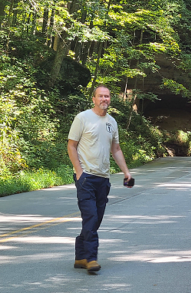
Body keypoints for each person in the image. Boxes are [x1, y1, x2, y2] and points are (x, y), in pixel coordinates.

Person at [67, 85, 133, 272]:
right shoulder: (83, 118)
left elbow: (116, 149)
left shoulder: (112, 122)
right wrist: (79, 172)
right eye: (101, 96)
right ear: (94, 99)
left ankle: (80, 256)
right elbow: (71, 146)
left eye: (107, 96)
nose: (104, 99)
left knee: (95, 220)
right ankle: (91, 258)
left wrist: (126, 172)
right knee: (91, 217)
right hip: (86, 177)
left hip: (103, 178)